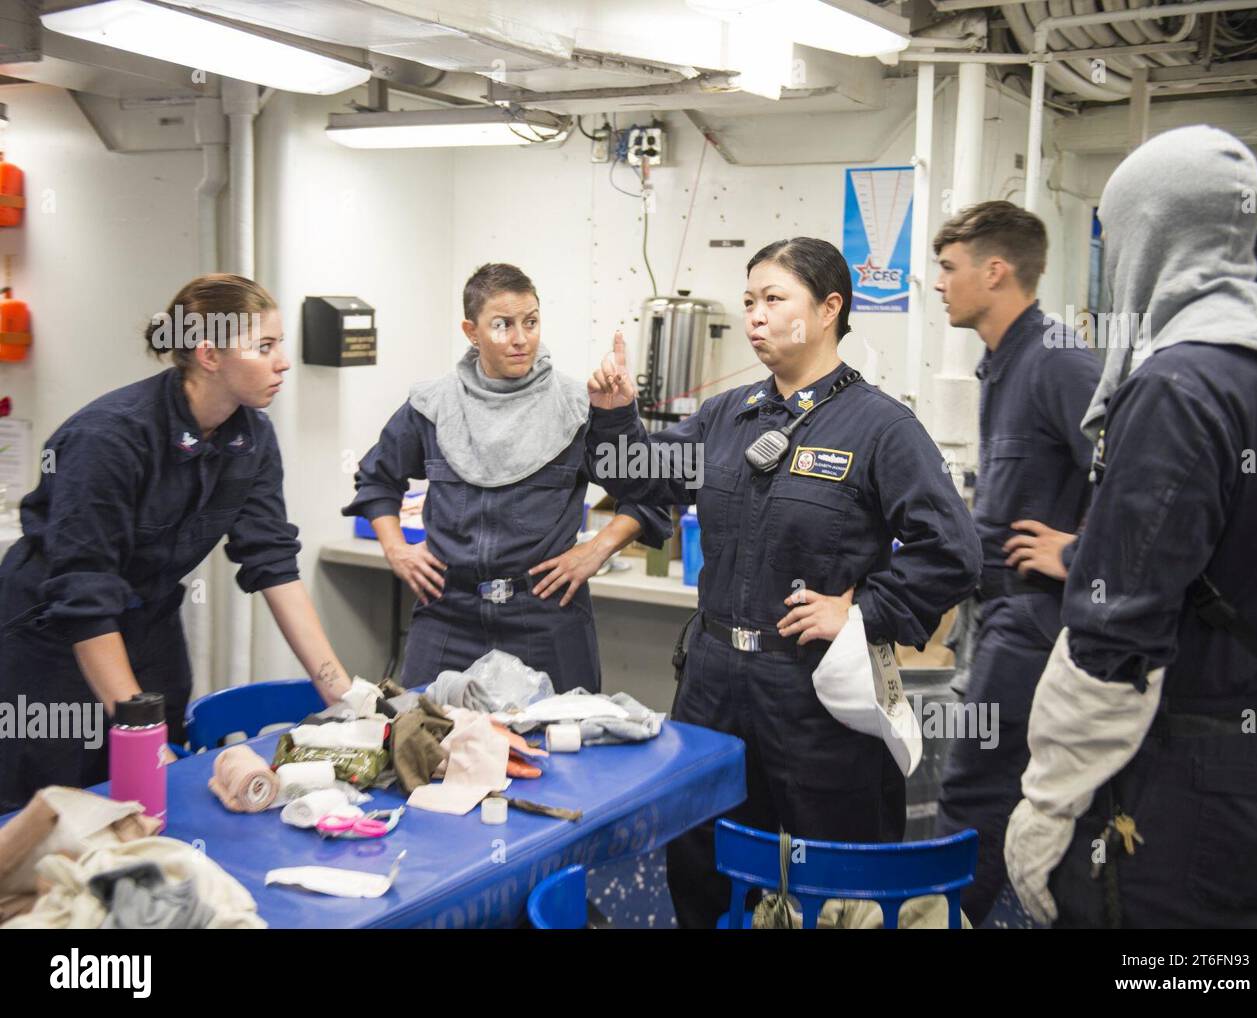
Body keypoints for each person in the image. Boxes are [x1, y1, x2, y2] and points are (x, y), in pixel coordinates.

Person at [586, 236, 982, 928]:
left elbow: (952, 550)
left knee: (831, 874)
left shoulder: (881, 427)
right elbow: (638, 480)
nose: (755, 317)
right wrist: (616, 414)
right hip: (713, 682)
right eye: (748, 301)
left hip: (813, 691)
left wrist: (862, 610)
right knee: (700, 856)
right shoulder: (723, 416)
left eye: (774, 299)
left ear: (830, 308)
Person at [1004, 125, 1257, 928]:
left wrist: (1048, 804)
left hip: (1175, 783)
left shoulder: (1180, 387)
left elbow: (1116, 637)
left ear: (1149, 238)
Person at [0, 274, 354, 814]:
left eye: (279, 344)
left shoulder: (251, 438)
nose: (283, 362)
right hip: (55, 640)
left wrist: (343, 695)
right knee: (57, 813)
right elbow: (85, 593)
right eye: (264, 347)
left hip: (150, 627)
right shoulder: (109, 439)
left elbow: (272, 562)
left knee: (152, 805)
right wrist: (138, 735)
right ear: (209, 354)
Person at [343, 263, 670, 692]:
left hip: (545, 614)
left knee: (559, 749)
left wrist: (595, 551)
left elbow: (648, 493)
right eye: (502, 325)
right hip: (447, 613)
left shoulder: (577, 406)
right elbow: (376, 480)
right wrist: (396, 548)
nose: (520, 339)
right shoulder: (433, 405)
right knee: (430, 746)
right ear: (471, 331)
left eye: (530, 322)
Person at [930, 201, 1100, 925]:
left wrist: (1081, 554)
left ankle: (945, 917)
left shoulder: (1060, 359)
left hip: (1033, 615)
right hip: (992, 609)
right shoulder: (1003, 364)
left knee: (974, 781)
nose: (938, 283)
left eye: (948, 267)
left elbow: (1144, 483)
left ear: (994, 271)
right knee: (969, 771)